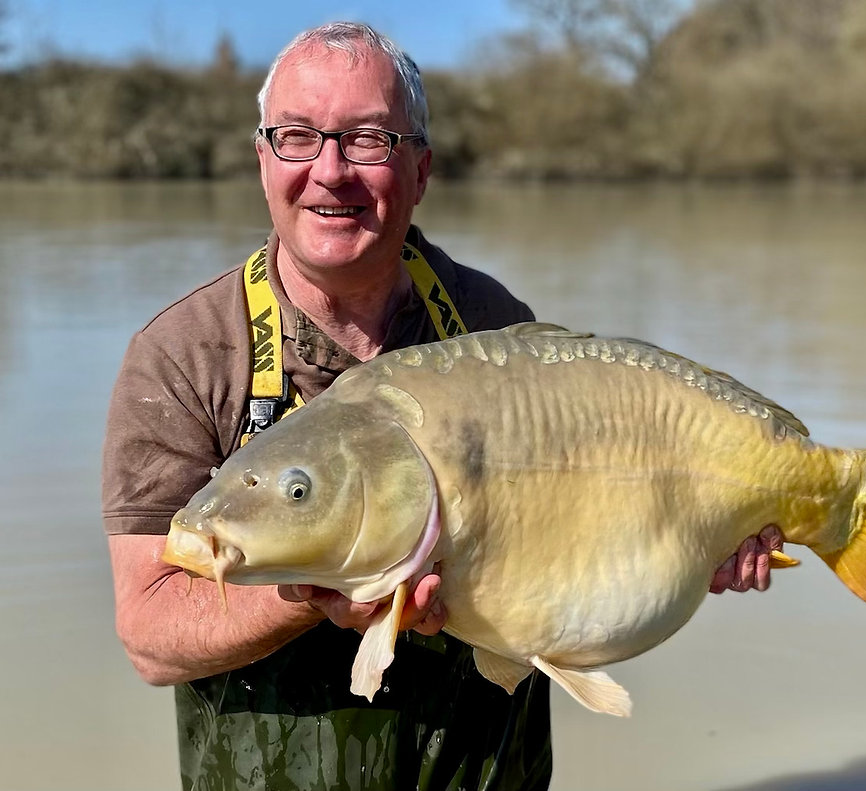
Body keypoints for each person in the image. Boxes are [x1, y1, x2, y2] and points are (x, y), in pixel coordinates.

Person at [102, 21, 785, 791]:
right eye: (296, 136)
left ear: (421, 169)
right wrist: (314, 594)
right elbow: (149, 634)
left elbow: (586, 534)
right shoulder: (183, 355)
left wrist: (697, 535)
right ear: (263, 160)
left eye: (368, 139)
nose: (329, 170)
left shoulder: (493, 325)